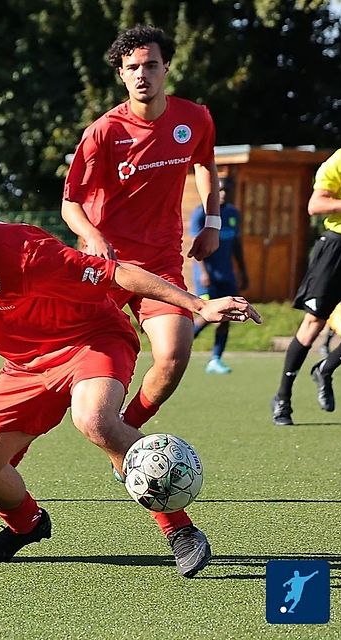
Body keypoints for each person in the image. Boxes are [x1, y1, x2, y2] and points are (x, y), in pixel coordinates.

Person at [0, 177, 260, 577]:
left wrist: (197, 305)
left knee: (95, 421)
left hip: (89, 343)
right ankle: (27, 525)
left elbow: (118, 274)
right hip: (26, 366)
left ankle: (180, 530)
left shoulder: (25, 252)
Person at [62, 25, 220, 433]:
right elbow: (70, 204)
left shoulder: (194, 118)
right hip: (105, 267)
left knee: (173, 355)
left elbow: (204, 163)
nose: (141, 74)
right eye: (132, 67)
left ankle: (128, 432)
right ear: (121, 73)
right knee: (63, 369)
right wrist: (94, 237)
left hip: (161, 262)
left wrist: (212, 222)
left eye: (151, 65)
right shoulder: (104, 131)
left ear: (166, 66)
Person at [271, 146, 341, 425]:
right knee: (314, 323)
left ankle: (325, 368)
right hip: (337, 249)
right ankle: (282, 397)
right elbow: (316, 205)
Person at [190, 180, 249, 374]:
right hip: (207, 277)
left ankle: (215, 359)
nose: (222, 194)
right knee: (206, 314)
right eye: (219, 190)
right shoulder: (201, 214)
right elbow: (195, 245)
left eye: (225, 190)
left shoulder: (233, 213)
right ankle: (179, 346)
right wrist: (203, 272)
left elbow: (237, 244)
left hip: (227, 275)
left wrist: (242, 270)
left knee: (226, 317)